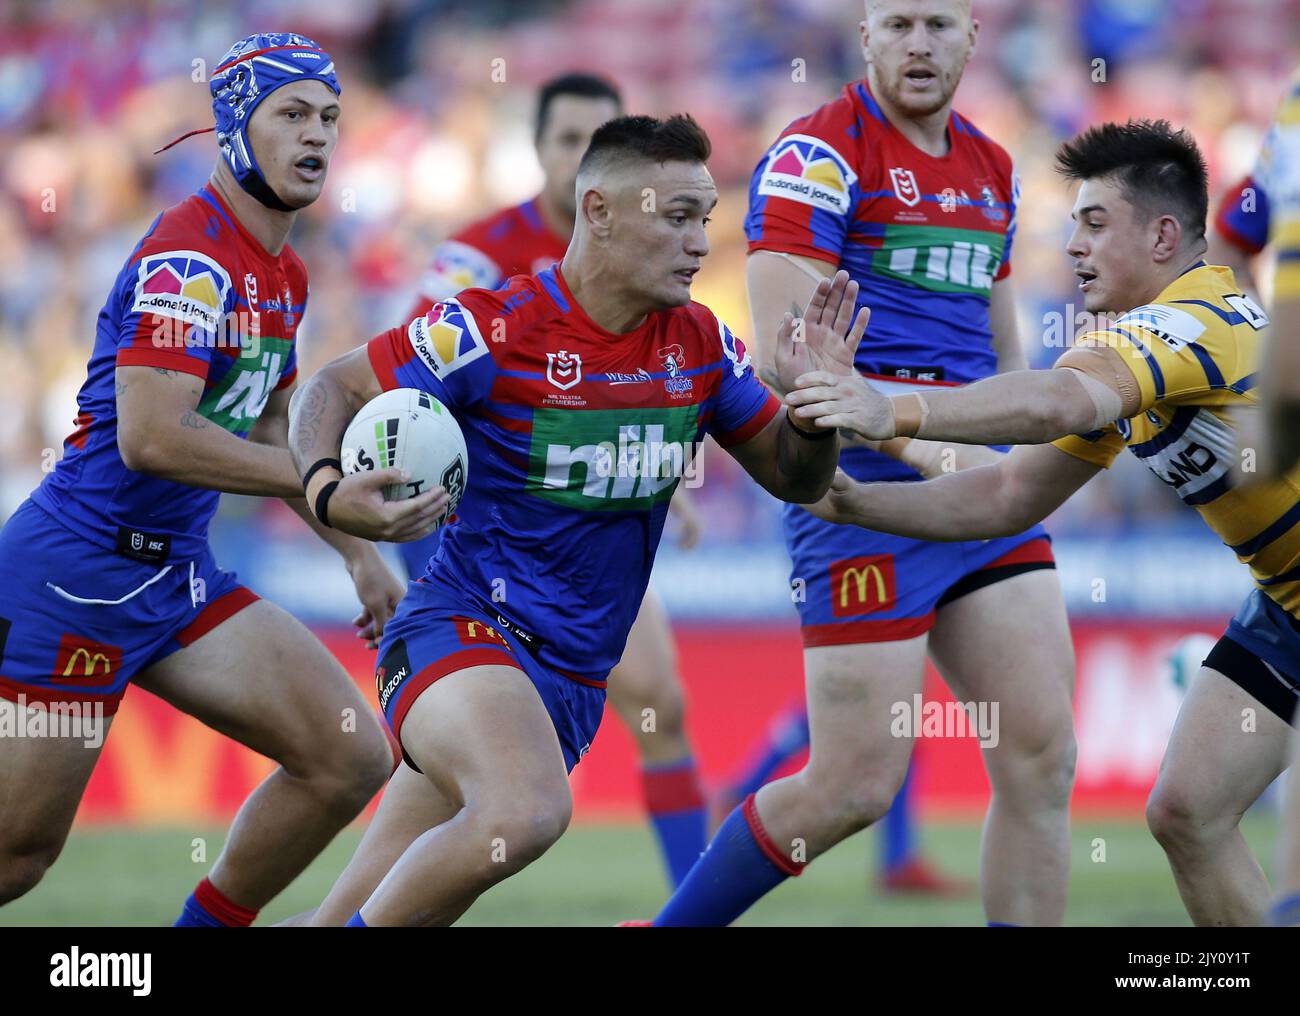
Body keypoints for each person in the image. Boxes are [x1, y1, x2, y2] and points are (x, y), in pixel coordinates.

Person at [287, 114, 857, 926]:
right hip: (462, 634)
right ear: (599, 211)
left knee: (347, 908)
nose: (701, 242)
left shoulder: (699, 344)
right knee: (525, 811)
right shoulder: (494, 326)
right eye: (677, 216)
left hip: (571, 682)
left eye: (707, 218)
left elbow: (796, 480)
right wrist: (325, 490)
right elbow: (334, 389)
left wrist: (814, 413)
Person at [786, 118, 1297, 927]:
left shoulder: (1192, 322)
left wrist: (894, 407)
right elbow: (1006, 499)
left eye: (1095, 224)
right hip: (1284, 604)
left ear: (1165, 235)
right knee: (1187, 814)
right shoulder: (1132, 357)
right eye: (1071, 226)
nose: (1074, 247)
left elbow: (1049, 399)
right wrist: (851, 500)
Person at [647, 0, 1076, 927]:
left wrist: (1011, 453)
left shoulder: (993, 165)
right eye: (898, 24)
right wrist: (925, 443)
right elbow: (785, 358)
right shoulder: (816, 156)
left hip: (979, 491)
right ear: (864, 34)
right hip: (858, 493)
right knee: (852, 784)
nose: (919, 44)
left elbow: (998, 355)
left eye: (939, 24)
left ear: (973, 33)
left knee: (1041, 757)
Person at [0, 32, 415, 927]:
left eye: (330, 118)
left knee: (347, 759)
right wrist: (326, 481)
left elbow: (274, 419)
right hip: (75, 576)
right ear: (234, 129)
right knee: (16, 860)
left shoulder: (284, 271)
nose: (318, 136)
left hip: (176, 576)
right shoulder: (189, 261)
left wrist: (357, 557)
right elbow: (154, 438)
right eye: (292, 114)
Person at [402, 73, 710, 886]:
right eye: (568, 140)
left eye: (597, 139)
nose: (582, 156)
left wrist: (652, 467)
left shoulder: (650, 280)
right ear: (542, 153)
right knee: (472, 782)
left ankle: (689, 904)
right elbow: (412, 397)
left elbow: (644, 386)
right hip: (476, 538)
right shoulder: (477, 260)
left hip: (587, 523)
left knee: (660, 704)